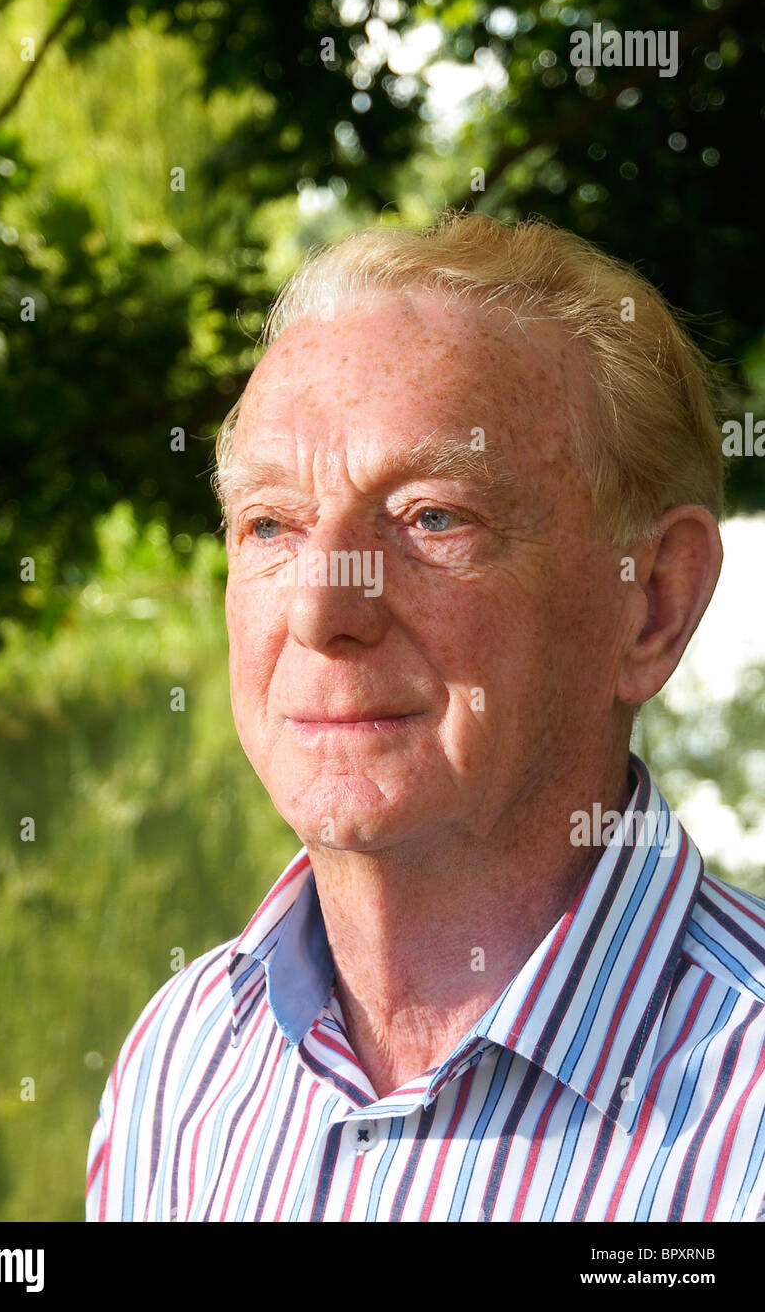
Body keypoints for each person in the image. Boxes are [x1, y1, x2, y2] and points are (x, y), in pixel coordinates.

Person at [86, 210, 765, 1222]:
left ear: (650, 602)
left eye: (431, 515)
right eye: (270, 523)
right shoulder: (177, 1066)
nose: (321, 611)